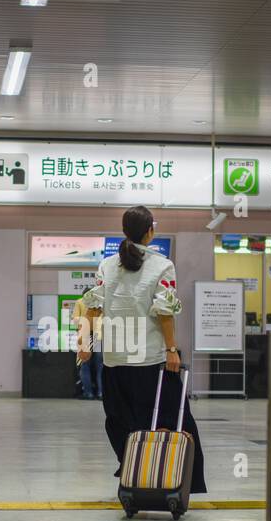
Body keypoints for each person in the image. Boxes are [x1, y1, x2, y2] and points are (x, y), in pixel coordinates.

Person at [79, 206, 206, 495]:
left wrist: (86, 344)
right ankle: (170, 479)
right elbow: (164, 312)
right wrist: (172, 348)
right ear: (150, 230)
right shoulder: (162, 265)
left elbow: (94, 306)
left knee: (121, 422)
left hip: (114, 362)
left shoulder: (106, 265)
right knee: (171, 421)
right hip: (150, 361)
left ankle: (134, 469)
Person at [72, 295, 103, 399]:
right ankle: (101, 393)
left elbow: (76, 320)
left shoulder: (80, 302)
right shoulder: (101, 302)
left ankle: (88, 393)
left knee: (85, 366)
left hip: (86, 335)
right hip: (99, 335)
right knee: (101, 367)